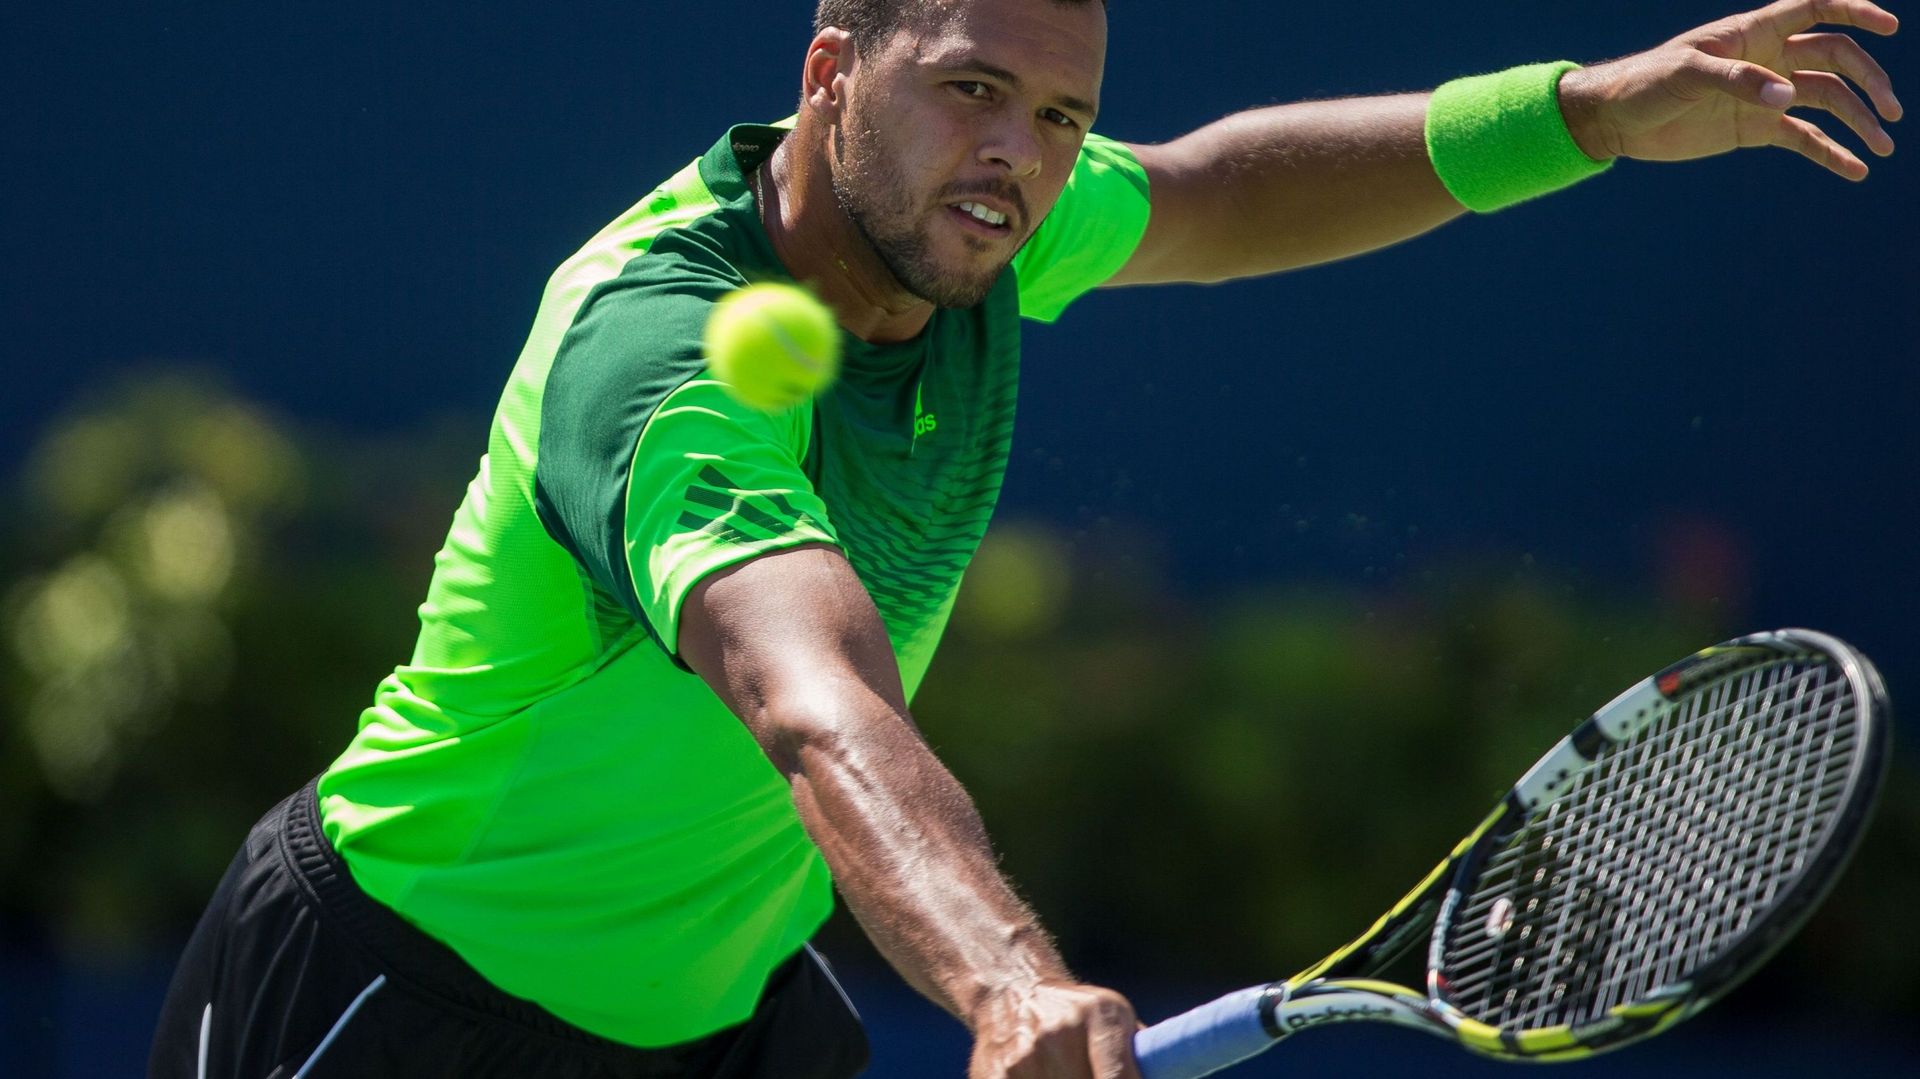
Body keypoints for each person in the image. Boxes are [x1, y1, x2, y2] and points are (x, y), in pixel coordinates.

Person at [148, 1, 1901, 1076]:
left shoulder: (982, 234)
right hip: (395, 1003)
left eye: (1059, 116)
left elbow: (1216, 191)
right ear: (836, 71)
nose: (1021, 160)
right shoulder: (654, 352)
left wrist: (1587, 113)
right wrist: (1005, 984)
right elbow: (810, 700)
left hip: (715, 1032)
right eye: (973, 91)